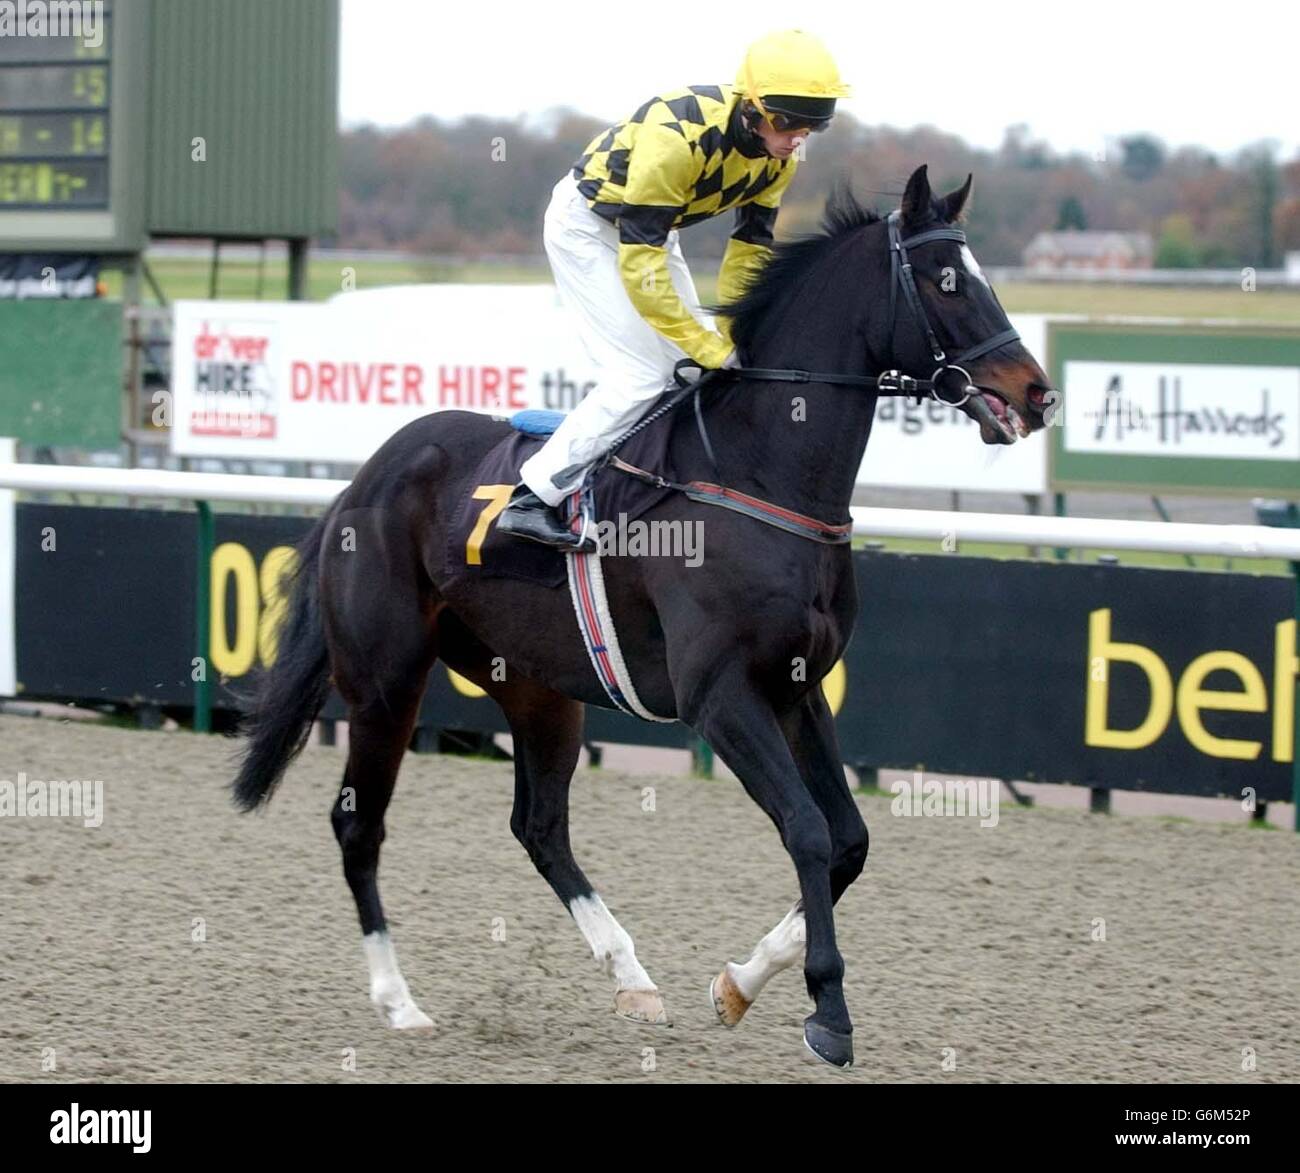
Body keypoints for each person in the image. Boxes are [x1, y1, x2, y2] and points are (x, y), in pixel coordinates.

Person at [495, 28, 851, 551]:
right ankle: (532, 497)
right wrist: (704, 343)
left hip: (655, 232)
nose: (797, 137)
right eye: (787, 122)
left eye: (812, 125)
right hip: (588, 227)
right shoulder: (674, 144)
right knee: (640, 374)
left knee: (696, 360)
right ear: (752, 108)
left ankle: (646, 477)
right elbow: (642, 269)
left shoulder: (780, 159)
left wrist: (729, 331)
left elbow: (749, 250)